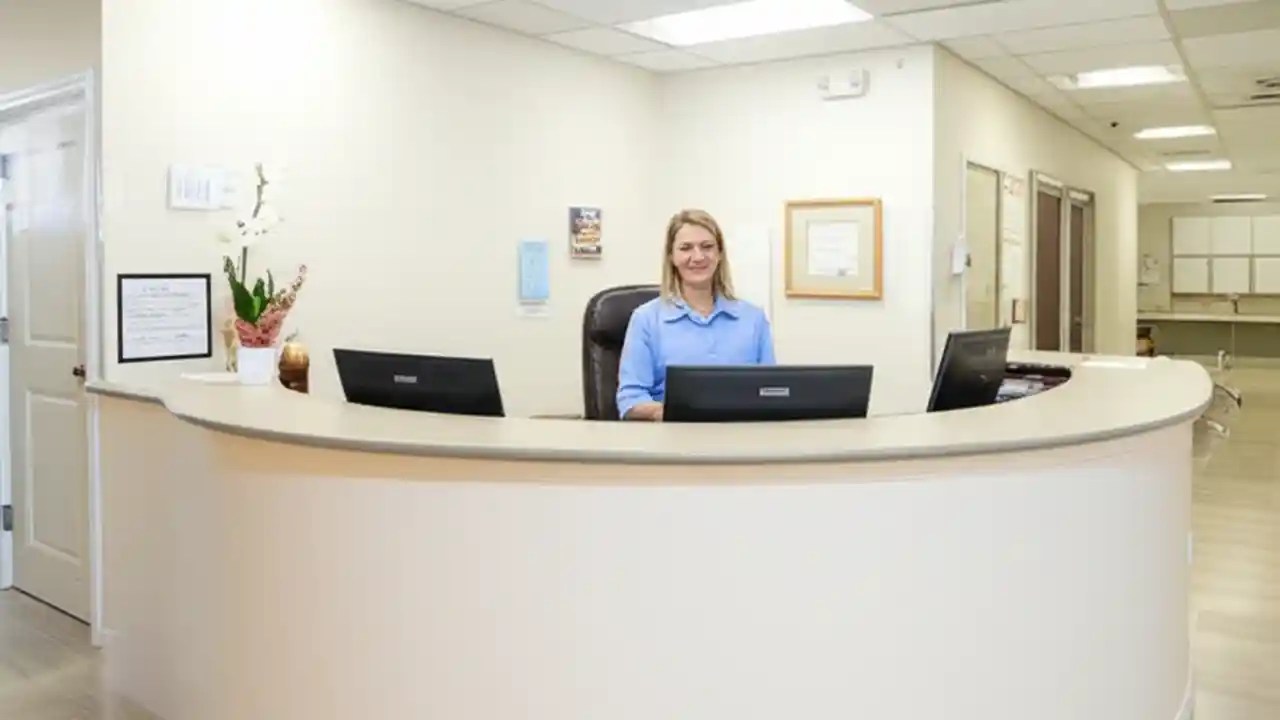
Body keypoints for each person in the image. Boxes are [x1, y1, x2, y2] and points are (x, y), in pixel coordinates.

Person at [616, 209, 776, 421]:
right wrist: (669, 413)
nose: (698, 257)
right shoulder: (646, 320)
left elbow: (771, 392)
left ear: (719, 254)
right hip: (671, 441)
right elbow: (630, 399)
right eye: (686, 248)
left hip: (739, 441)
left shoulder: (753, 319)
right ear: (672, 256)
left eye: (707, 247)